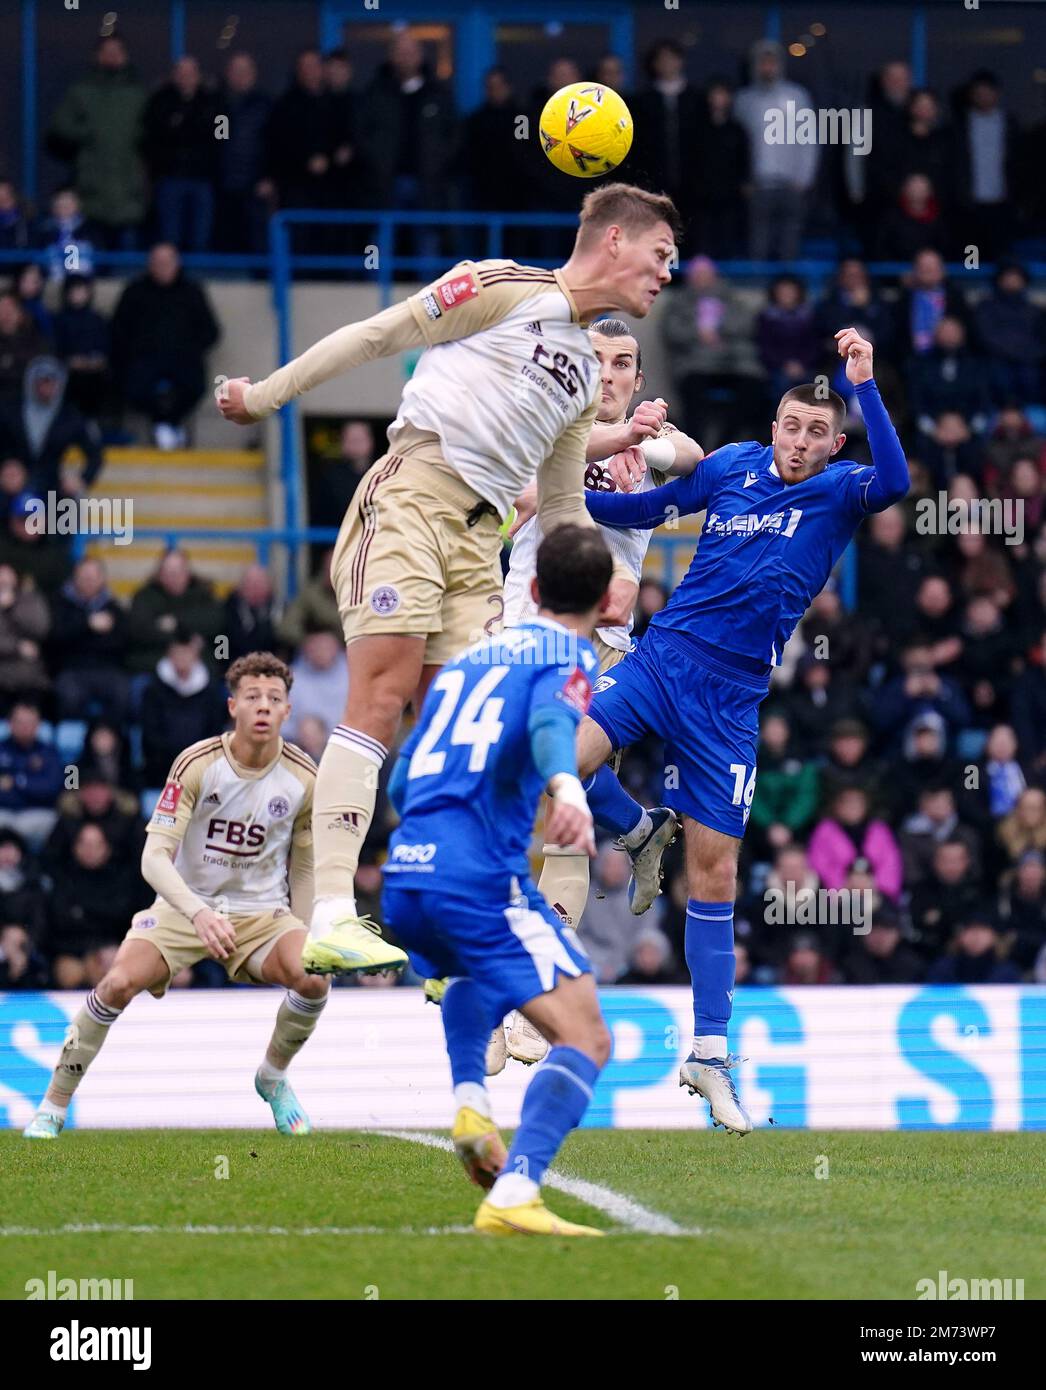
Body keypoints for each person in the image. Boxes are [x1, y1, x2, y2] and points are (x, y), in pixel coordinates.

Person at [217, 181, 680, 976]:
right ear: (613, 241)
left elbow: (564, 502)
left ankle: (454, 930)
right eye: (661, 254)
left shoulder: (576, 372)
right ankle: (329, 910)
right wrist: (263, 397)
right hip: (410, 498)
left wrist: (596, 581)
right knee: (384, 694)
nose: (668, 273)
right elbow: (375, 334)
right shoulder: (502, 288)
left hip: (477, 551)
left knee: (477, 731)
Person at [575, 328, 909, 1134]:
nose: (801, 443)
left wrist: (864, 385)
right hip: (663, 659)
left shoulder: (842, 492)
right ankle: (635, 826)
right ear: (774, 428)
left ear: (834, 446)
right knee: (558, 755)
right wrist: (557, 502)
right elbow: (646, 506)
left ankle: (710, 1053)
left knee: (716, 875)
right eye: (791, 427)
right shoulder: (727, 467)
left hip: (730, 701)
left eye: (817, 434)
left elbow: (898, 481)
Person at [382, 525, 612, 1236]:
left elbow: (400, 777)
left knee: (470, 968)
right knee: (588, 1040)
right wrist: (567, 792)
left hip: (404, 875)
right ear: (606, 604)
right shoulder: (570, 656)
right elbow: (551, 723)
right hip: (475, 877)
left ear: (533, 590)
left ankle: (470, 1101)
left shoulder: (466, 660)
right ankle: (516, 1193)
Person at [23, 652, 329, 1140]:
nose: (264, 707)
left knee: (314, 980)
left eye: (275, 698)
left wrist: (308, 927)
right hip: (185, 907)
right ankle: (53, 1105)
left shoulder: (304, 776)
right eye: (253, 697)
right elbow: (153, 859)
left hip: (262, 915)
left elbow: (306, 864)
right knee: (116, 985)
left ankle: (272, 1077)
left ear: (288, 711)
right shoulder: (197, 763)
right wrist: (199, 912)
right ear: (233, 706)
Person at [110, 243, 220, 450]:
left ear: (177, 264)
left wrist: (190, 348)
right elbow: (118, 329)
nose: (162, 267)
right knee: (130, 384)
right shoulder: (135, 291)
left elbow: (211, 331)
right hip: (144, 359)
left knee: (195, 385)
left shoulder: (192, 291)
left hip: (183, 358)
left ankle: (169, 423)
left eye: (167, 262)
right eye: (157, 263)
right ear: (150, 265)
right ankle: (164, 424)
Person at [45, 33, 147, 249]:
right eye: (107, 52)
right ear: (98, 56)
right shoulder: (81, 91)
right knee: (93, 254)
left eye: (117, 52)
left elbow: (153, 132)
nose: (112, 57)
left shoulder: (138, 93)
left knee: (126, 259)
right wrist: (90, 133)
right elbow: (60, 127)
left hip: (129, 188)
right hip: (91, 190)